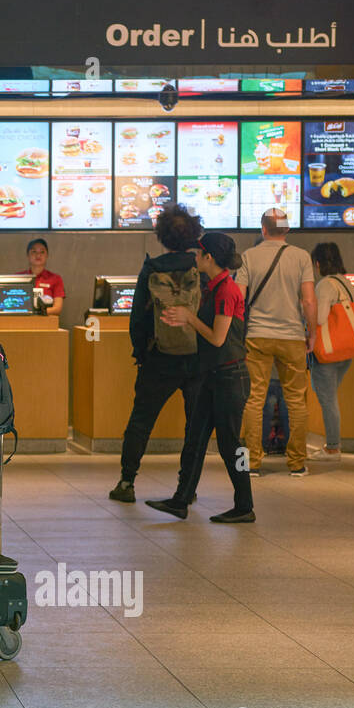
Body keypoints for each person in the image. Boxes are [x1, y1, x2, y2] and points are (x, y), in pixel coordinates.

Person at [146, 233, 254, 524]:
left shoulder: (227, 291)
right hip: (212, 374)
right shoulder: (213, 287)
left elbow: (218, 339)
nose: (195, 257)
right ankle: (181, 500)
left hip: (230, 376)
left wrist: (190, 319)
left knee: (232, 443)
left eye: (199, 253)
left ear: (210, 258)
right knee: (195, 437)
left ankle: (245, 504)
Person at [109, 205, 205, 503]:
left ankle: (127, 482)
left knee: (141, 421)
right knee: (195, 425)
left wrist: (141, 352)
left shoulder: (152, 269)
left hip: (157, 358)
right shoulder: (200, 266)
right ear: (194, 232)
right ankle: (187, 487)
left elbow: (137, 316)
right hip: (196, 358)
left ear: (161, 235)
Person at [236, 208, 316, 478]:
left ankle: (253, 463)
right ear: (288, 229)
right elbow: (308, 300)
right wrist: (312, 332)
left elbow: (239, 298)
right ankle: (296, 464)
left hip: (257, 336)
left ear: (263, 228)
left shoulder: (249, 257)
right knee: (296, 400)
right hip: (292, 336)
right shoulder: (301, 257)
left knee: (254, 398)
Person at [308, 242, 354, 462]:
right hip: (345, 350)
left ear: (318, 263)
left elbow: (319, 318)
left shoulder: (325, 285)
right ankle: (333, 445)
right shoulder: (346, 283)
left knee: (327, 400)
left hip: (328, 351)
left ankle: (333, 448)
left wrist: (305, 307)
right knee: (330, 398)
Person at [21, 238, 64, 316]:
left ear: (47, 255)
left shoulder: (55, 279)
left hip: (47, 323)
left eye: (42, 252)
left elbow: (57, 309)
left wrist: (37, 313)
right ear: (28, 255)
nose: (38, 255)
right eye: (34, 252)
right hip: (21, 321)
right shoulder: (18, 278)